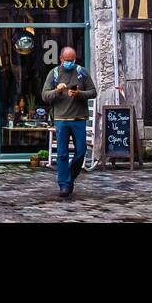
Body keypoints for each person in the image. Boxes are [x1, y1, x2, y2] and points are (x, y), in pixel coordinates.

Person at [41, 47, 97, 199]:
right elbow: (45, 96)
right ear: (61, 59)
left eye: (72, 61)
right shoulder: (54, 74)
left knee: (81, 151)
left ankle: (70, 177)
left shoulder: (82, 72)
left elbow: (93, 92)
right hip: (61, 119)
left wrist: (79, 94)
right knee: (62, 154)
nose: (70, 63)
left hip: (79, 119)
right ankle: (64, 185)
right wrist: (57, 91)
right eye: (67, 61)